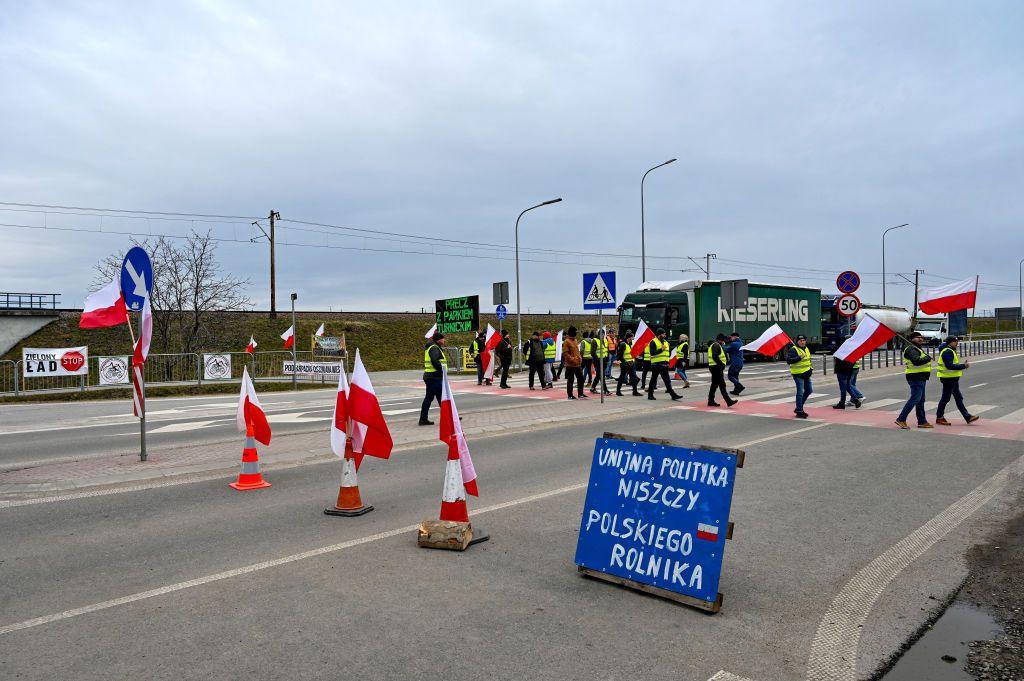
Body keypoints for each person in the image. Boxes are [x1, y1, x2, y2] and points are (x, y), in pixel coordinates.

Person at [935, 336, 979, 426]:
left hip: (953, 378)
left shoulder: (950, 350)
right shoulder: (947, 351)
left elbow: (953, 364)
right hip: (948, 379)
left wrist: (962, 365)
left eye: (957, 341)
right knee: (945, 398)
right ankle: (939, 417)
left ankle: (968, 417)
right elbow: (949, 366)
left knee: (958, 398)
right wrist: (964, 366)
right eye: (955, 342)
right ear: (950, 342)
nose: (957, 343)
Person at [895, 332, 934, 429]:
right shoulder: (910, 348)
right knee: (915, 399)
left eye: (921, 337)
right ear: (912, 339)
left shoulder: (916, 348)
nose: (920, 339)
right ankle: (901, 419)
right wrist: (927, 358)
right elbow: (916, 361)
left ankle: (922, 421)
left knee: (920, 400)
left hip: (921, 377)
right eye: (918, 337)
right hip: (915, 377)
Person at [646, 328, 683, 401]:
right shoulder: (653, 342)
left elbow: (668, 353)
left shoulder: (666, 342)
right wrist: (661, 350)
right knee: (653, 380)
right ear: (659, 335)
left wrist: (668, 361)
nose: (665, 335)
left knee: (667, 381)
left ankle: (673, 395)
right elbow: (652, 352)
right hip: (656, 365)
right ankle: (650, 395)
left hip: (665, 364)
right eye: (663, 334)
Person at [419, 333, 447, 425]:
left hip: (430, 376)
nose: (444, 340)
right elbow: (435, 361)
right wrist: (442, 370)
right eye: (443, 339)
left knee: (428, 398)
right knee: (442, 398)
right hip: (435, 376)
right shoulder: (434, 348)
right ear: (439, 339)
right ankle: (449, 418)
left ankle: (423, 419)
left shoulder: (433, 346)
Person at [786, 334, 813, 419]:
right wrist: (799, 357)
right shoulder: (793, 350)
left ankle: (798, 408)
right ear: (797, 341)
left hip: (806, 374)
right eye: (800, 340)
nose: (802, 342)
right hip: (798, 374)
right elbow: (788, 360)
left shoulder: (806, 349)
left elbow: (808, 361)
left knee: (809, 390)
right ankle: (800, 411)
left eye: (803, 340)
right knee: (800, 393)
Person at [707, 333, 735, 407]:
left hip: (714, 367)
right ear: (720, 339)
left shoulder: (716, 345)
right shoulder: (716, 345)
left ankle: (711, 401)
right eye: (723, 339)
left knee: (714, 384)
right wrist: (721, 364)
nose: (724, 341)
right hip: (716, 367)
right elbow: (715, 356)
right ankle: (728, 401)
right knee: (722, 385)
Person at [562, 326, 585, 399]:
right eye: (574, 332)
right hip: (570, 364)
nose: (575, 333)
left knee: (581, 378)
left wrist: (580, 358)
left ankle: (580, 393)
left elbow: (577, 351)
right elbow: (565, 353)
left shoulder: (575, 340)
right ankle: (570, 395)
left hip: (577, 364)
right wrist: (572, 359)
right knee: (571, 380)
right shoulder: (566, 341)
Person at [616, 330, 640, 396]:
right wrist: (624, 362)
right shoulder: (623, 344)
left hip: (631, 364)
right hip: (625, 364)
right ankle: (618, 391)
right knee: (622, 377)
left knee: (633, 378)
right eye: (632, 337)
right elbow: (619, 356)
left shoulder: (631, 344)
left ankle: (635, 392)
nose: (633, 338)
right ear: (629, 338)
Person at [590, 329, 611, 394]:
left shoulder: (605, 340)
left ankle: (593, 387)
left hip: (604, 360)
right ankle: (605, 390)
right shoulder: (594, 340)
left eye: (603, 334)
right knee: (602, 375)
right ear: (597, 334)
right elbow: (592, 352)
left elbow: (606, 349)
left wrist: (607, 358)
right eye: (600, 334)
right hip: (597, 361)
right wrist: (598, 359)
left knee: (599, 375)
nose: (602, 335)